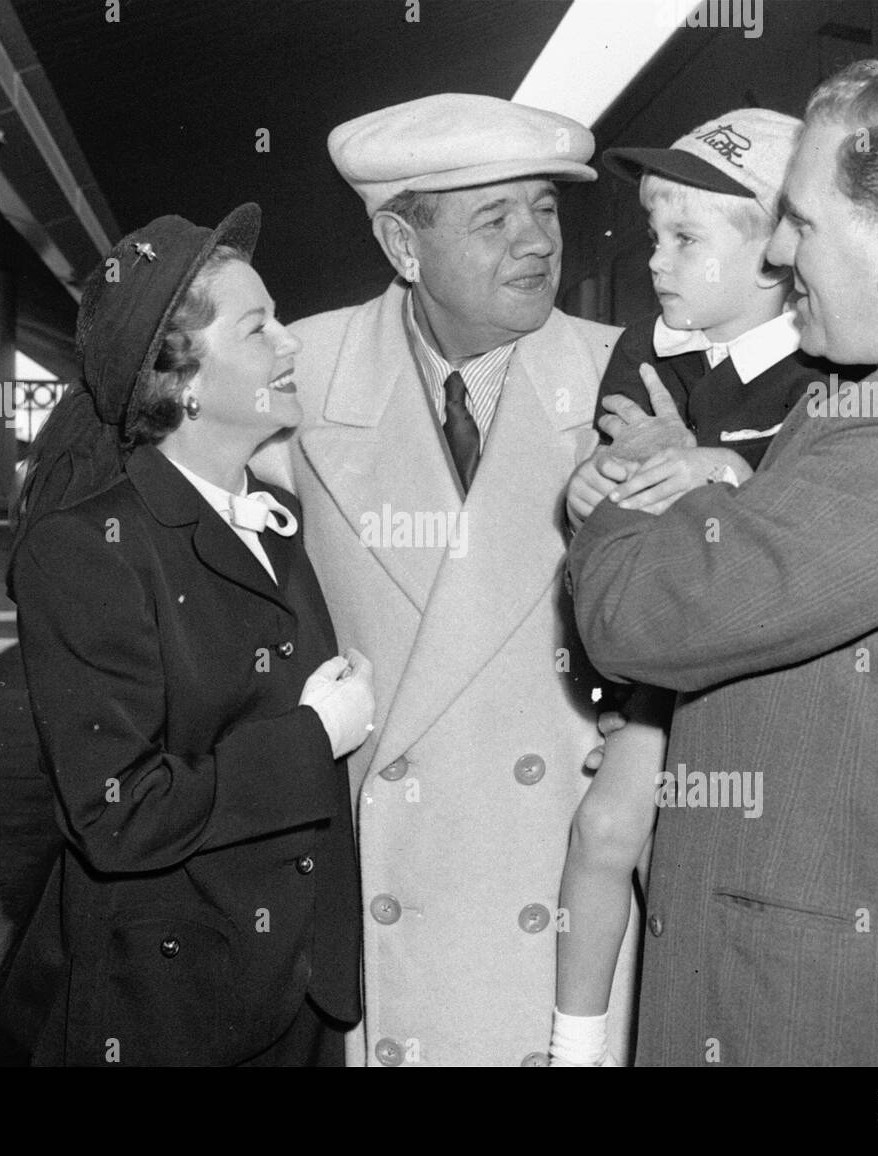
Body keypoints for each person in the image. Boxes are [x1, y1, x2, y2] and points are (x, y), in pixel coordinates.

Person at [568, 52, 878, 1065]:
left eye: (798, 220)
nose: (782, 254)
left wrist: (624, 485)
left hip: (845, 1012)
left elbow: (649, 613)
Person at [252, 93, 632, 1066]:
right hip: (386, 901)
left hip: (558, 915)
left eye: (544, 208)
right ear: (401, 242)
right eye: (493, 217)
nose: (535, 242)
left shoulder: (624, 380)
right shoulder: (299, 371)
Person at [0, 205, 375, 1065]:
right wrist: (315, 737)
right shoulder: (86, 551)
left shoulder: (273, 526)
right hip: (174, 1009)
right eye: (258, 327)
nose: (291, 344)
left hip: (302, 985)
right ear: (183, 378)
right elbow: (115, 812)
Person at [551, 109, 867, 1066]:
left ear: (776, 255)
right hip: (667, 660)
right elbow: (610, 510)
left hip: (777, 678)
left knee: (725, 876)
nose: (656, 260)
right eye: (655, 234)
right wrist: (583, 493)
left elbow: (823, 534)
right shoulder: (647, 347)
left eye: (687, 239)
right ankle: (576, 1047)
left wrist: (716, 471)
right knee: (608, 827)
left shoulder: (831, 375)